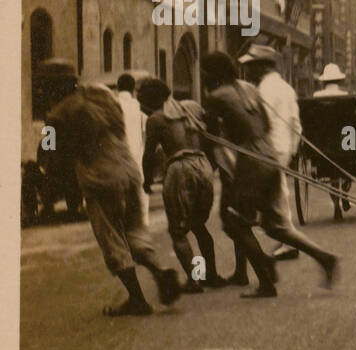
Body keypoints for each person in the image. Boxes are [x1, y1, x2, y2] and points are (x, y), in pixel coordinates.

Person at [38, 60, 182, 315]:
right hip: (127, 168)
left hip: (100, 176)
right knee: (135, 229)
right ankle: (159, 271)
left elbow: (53, 155)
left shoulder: (56, 115)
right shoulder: (102, 95)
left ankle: (137, 299)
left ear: (52, 87)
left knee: (111, 238)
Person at [200, 52, 340, 298]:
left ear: (212, 74)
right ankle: (324, 257)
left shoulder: (214, 98)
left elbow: (210, 137)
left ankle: (266, 282)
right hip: (269, 154)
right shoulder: (250, 89)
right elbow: (265, 124)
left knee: (237, 223)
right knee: (275, 226)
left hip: (251, 161)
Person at [138, 77, 225, 293]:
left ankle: (195, 279)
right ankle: (210, 275)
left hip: (180, 169)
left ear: (150, 100)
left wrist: (147, 181)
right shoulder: (190, 109)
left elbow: (148, 155)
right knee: (198, 225)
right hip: (203, 166)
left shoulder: (156, 119)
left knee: (178, 232)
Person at [239, 45, 303, 261]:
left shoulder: (263, 90)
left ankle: (289, 241)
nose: (248, 71)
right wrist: (292, 149)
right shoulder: (287, 88)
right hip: (283, 146)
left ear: (262, 67)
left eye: (251, 66)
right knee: (278, 193)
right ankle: (286, 239)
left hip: (267, 148)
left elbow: (258, 122)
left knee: (275, 196)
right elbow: (296, 123)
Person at [116, 73, 149, 225]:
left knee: (119, 191)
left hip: (118, 155)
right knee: (139, 190)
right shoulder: (140, 106)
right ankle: (143, 221)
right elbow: (145, 132)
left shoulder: (113, 104)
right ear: (133, 88)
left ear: (118, 88)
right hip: (137, 154)